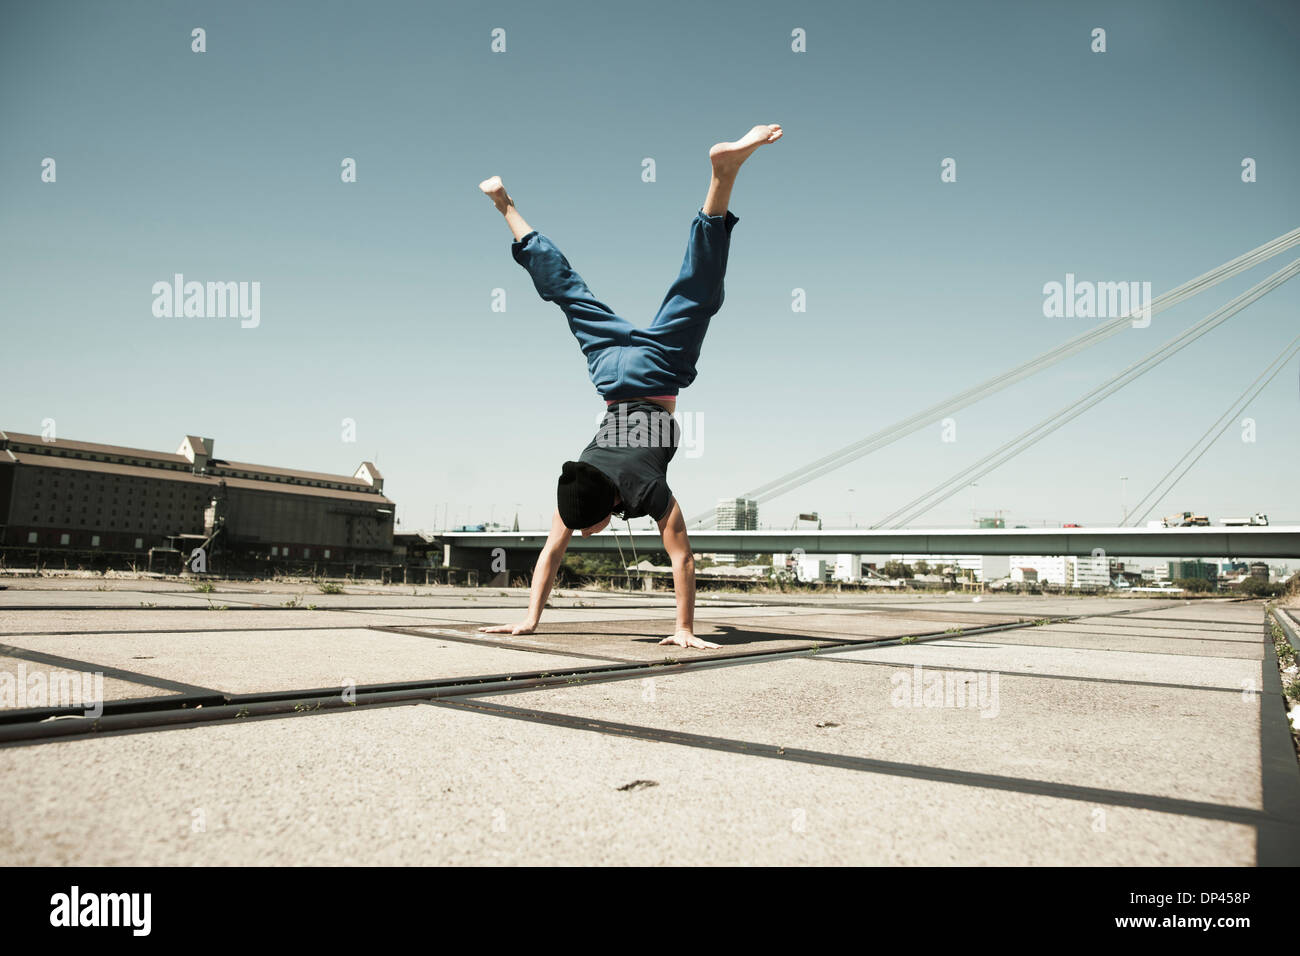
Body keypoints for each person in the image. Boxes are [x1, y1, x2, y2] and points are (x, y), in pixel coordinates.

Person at [477, 123, 782, 649]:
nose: (580, 533)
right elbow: (552, 553)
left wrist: (684, 630)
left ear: (603, 511)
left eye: (586, 528)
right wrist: (528, 620)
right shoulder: (576, 481)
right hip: (610, 369)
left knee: (698, 292)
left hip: (658, 370)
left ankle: (723, 175)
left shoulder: (644, 489)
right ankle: (506, 207)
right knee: (571, 294)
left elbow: (682, 556)